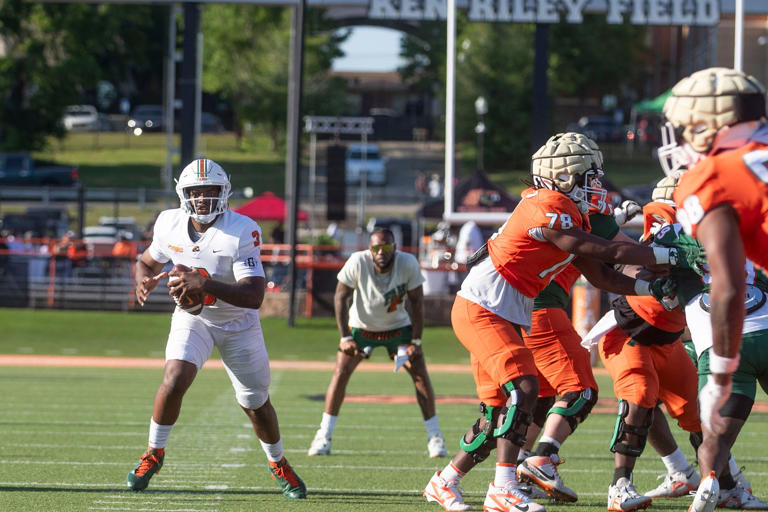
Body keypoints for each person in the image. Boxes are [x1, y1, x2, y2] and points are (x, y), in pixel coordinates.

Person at [422, 132, 699, 512]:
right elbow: (607, 249)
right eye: (590, 177)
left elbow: (604, 276)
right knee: (524, 387)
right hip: (483, 306)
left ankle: (445, 480)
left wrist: (655, 291)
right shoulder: (547, 203)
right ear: (564, 177)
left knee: (497, 411)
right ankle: (503, 488)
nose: (597, 185)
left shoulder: (571, 213)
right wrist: (663, 252)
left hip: (503, 309)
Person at [126, 158, 306, 499]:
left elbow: (254, 296)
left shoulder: (241, 229)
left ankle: (277, 462)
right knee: (174, 377)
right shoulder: (169, 223)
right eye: (196, 192)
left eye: (210, 192)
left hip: (238, 322)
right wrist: (142, 281)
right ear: (184, 194)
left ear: (224, 193)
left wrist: (205, 284)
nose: (203, 199)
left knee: (254, 402)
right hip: (194, 316)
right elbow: (146, 261)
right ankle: (153, 453)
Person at [660, 66, 768, 511]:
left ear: (710, 124)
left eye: (688, 125)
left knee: (716, 431)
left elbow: (726, 287)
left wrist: (721, 373)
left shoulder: (709, 176)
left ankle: (709, 479)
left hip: (737, 333)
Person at [514, 178, 643, 505]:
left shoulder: (542, 206)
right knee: (580, 391)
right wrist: (667, 260)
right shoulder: (573, 214)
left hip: (522, 310)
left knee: (541, 401)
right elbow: (616, 251)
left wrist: (615, 220)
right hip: (543, 311)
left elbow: (596, 247)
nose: (596, 183)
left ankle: (514, 472)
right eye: (589, 175)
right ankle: (542, 458)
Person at [581, 173, 704, 512]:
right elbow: (638, 262)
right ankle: (619, 486)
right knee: (639, 397)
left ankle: (721, 481)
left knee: (698, 411)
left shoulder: (706, 237)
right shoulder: (667, 234)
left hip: (668, 340)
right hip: (630, 331)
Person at [307, 227, 448, 458]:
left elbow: (417, 303)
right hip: (362, 327)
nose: (381, 252)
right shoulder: (357, 261)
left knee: (420, 375)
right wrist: (345, 337)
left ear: (394, 247)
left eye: (386, 247)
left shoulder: (407, 263)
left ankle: (435, 437)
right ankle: (324, 435)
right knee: (340, 372)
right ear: (370, 249)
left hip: (397, 328)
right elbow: (340, 297)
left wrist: (416, 340)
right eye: (376, 247)